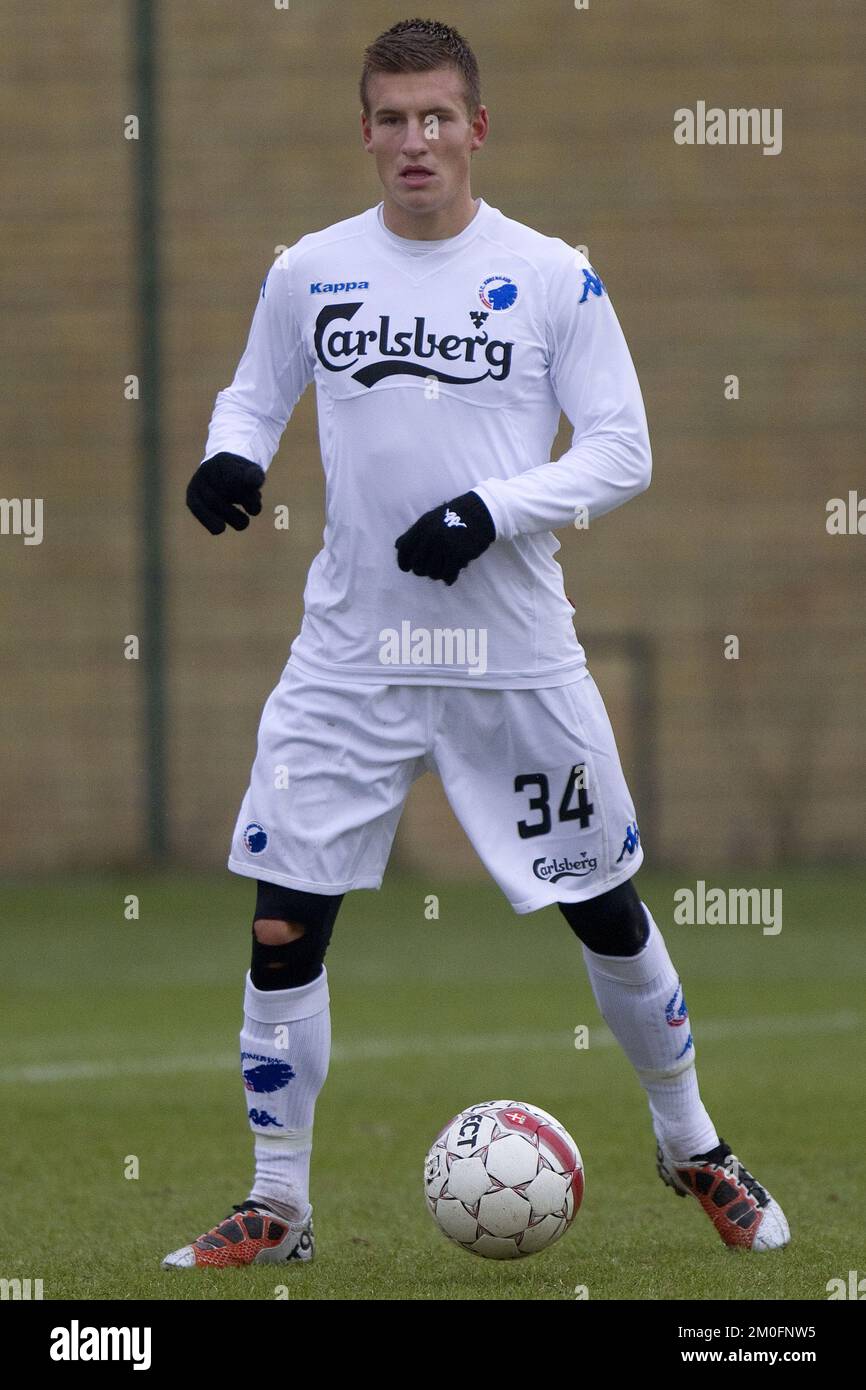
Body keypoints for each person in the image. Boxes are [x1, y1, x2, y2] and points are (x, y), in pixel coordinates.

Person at [164, 18, 788, 1269]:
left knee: (603, 909)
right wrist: (229, 451)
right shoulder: (310, 272)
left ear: (476, 129)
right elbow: (255, 387)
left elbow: (622, 448)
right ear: (365, 131)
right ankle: (275, 1200)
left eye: (435, 117)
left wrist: (492, 510)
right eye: (391, 119)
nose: (414, 141)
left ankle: (692, 1143)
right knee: (283, 923)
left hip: (510, 654)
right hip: (350, 655)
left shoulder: (553, 275)